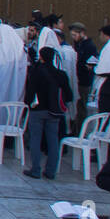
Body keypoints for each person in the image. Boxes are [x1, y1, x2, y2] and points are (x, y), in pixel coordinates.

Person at [23, 45, 72, 180]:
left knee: (35, 139)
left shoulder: (36, 72)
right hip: (54, 112)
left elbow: (30, 92)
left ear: (42, 57)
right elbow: (69, 96)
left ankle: (35, 169)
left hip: (37, 110)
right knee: (53, 140)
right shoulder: (61, 74)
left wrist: (28, 103)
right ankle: (51, 171)